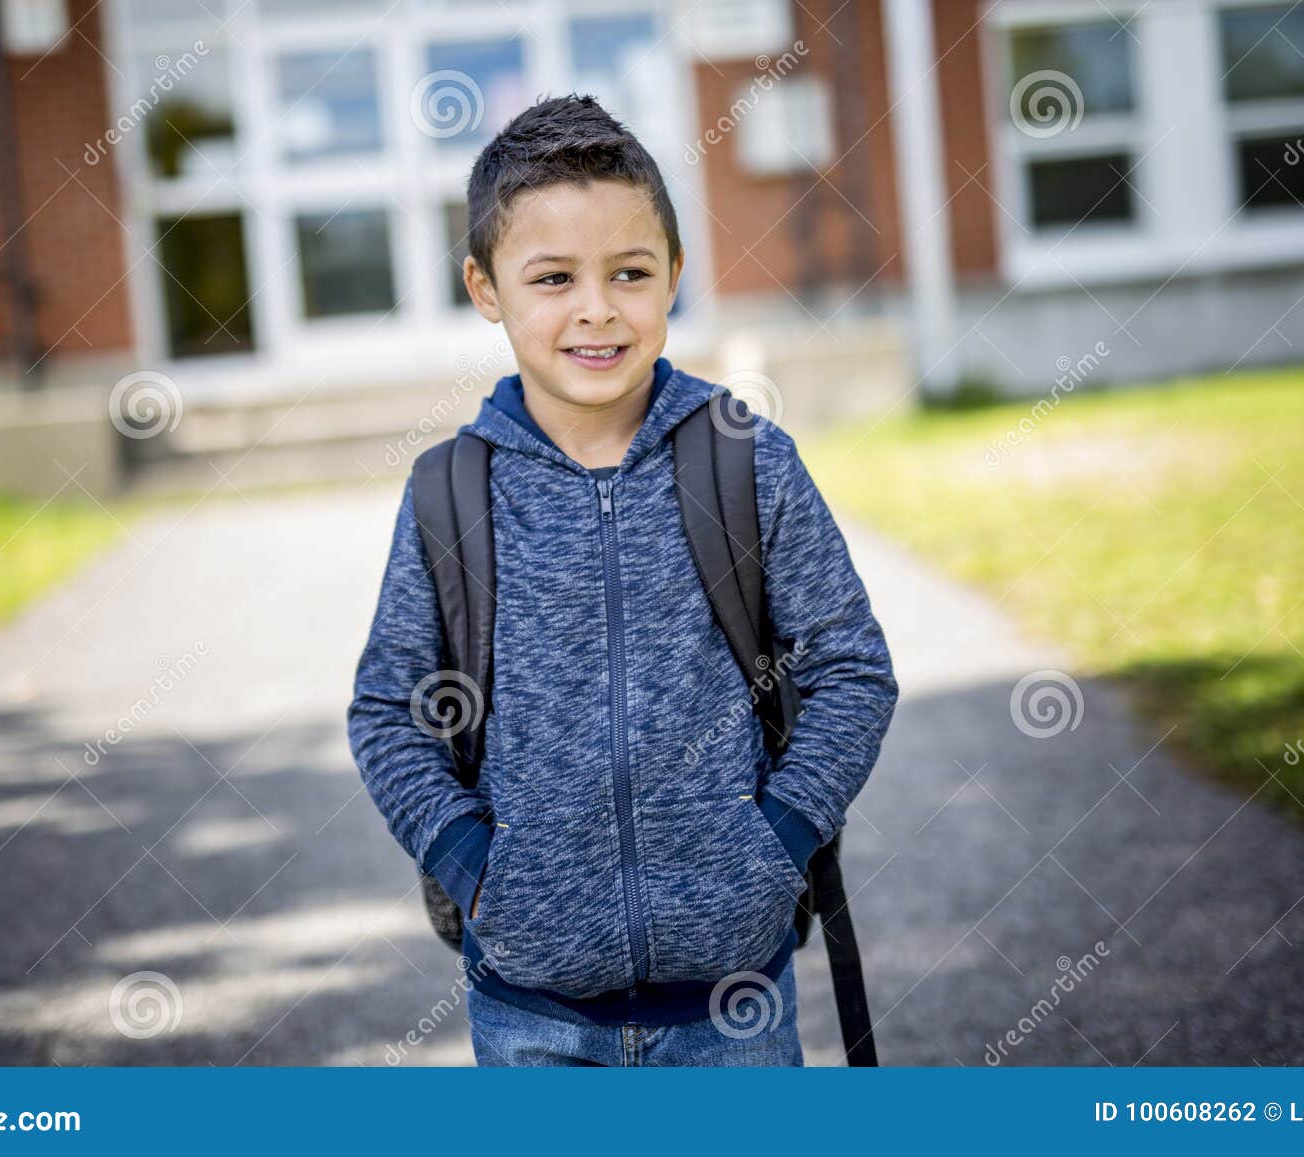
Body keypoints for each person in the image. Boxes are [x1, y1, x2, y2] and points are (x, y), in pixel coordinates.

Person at [347, 94, 898, 1066]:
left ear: (675, 275)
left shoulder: (747, 460)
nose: (596, 308)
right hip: (530, 1013)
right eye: (552, 277)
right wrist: (475, 865)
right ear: (485, 287)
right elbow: (388, 710)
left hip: (733, 1003)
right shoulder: (450, 491)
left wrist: (774, 842)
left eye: (630, 273)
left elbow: (851, 667)